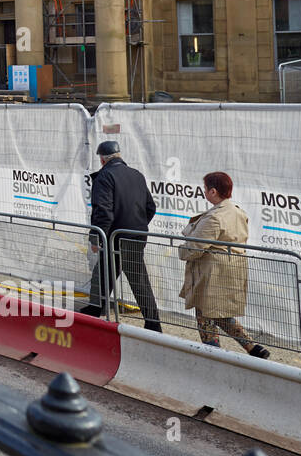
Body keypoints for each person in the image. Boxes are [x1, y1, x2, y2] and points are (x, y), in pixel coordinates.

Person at [179, 172, 270, 359]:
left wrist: (182, 249)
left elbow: (195, 248)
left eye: (205, 189)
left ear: (213, 191)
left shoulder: (214, 217)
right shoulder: (238, 212)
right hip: (232, 270)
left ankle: (214, 354)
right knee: (219, 313)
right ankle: (252, 348)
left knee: (204, 312)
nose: (204, 192)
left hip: (212, 273)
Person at [80, 141, 162, 331]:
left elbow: (103, 212)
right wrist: (137, 225)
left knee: (133, 279)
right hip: (136, 235)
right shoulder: (136, 175)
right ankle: (95, 309)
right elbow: (151, 207)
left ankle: (154, 323)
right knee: (106, 274)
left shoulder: (105, 176)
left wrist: (96, 237)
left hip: (114, 237)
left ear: (102, 159)